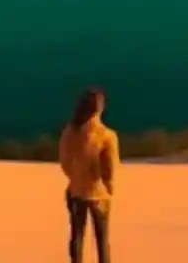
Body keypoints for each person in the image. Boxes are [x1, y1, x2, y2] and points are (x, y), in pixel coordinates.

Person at [58, 86, 119, 263]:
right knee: (102, 241)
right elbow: (110, 169)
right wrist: (109, 188)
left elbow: (64, 161)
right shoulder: (107, 136)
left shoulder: (69, 132)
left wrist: (75, 178)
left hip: (76, 191)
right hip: (99, 194)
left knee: (77, 237)